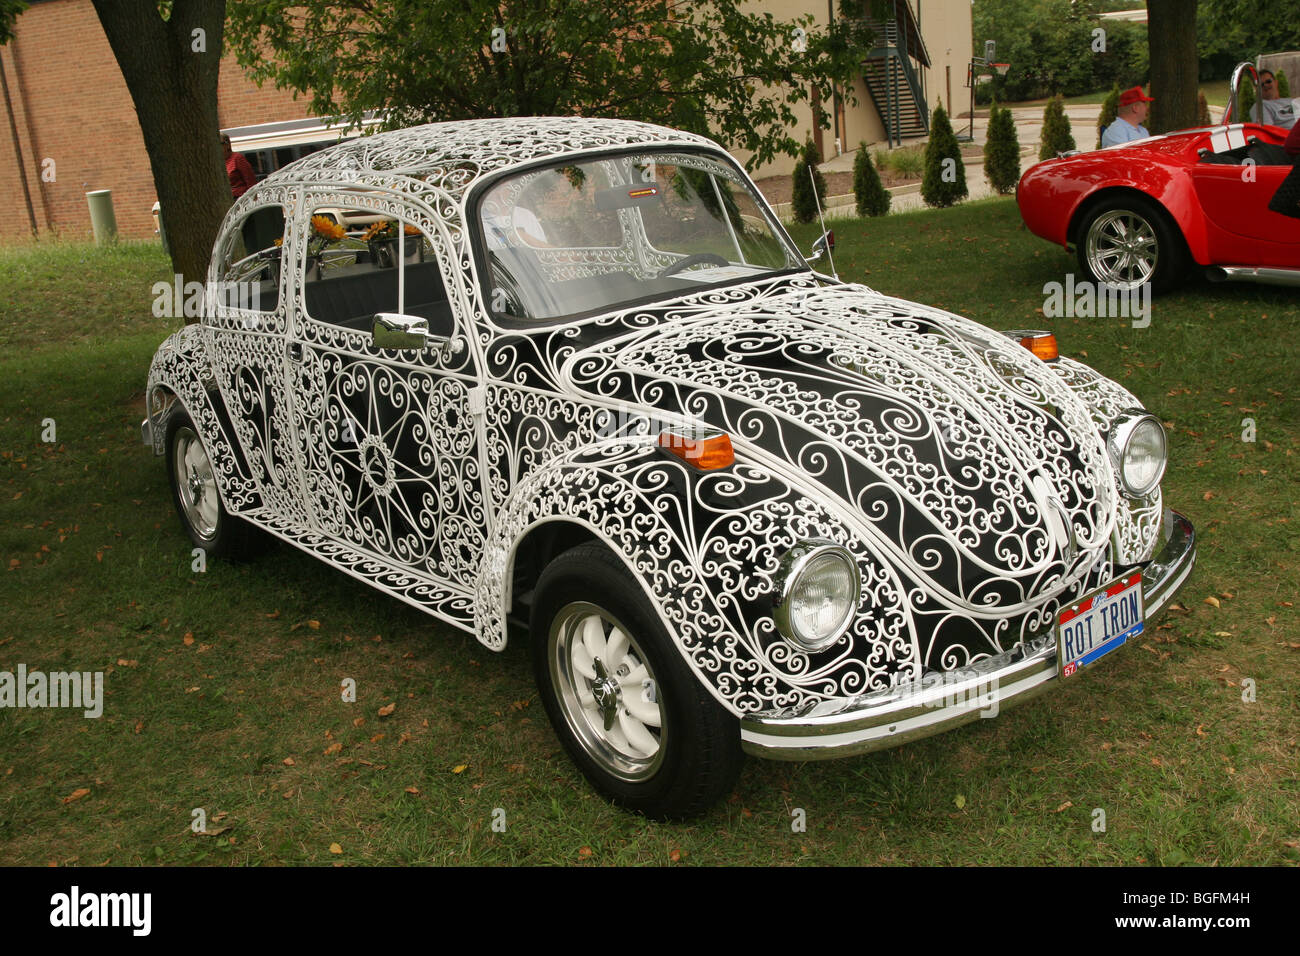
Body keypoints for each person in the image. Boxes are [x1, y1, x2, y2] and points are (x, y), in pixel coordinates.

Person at [222, 134, 257, 199]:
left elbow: (250, 180)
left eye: (221, 144)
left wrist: (254, 198)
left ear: (227, 145)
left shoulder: (237, 158)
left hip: (241, 199)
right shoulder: (220, 162)